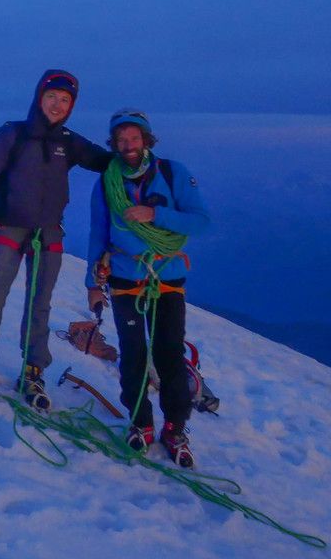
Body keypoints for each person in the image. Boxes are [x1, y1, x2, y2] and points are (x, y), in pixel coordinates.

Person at [0, 70, 112, 410]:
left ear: (71, 106)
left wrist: (138, 156)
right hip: (7, 230)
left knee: (39, 306)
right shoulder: (10, 135)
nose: (57, 105)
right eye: (52, 97)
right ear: (39, 97)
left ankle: (33, 372)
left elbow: (103, 162)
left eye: (65, 100)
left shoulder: (67, 142)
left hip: (48, 234)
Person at [86, 109, 209, 468]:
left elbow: (200, 221)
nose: (128, 145)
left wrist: (155, 215)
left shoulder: (173, 174)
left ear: (146, 140)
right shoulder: (106, 183)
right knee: (133, 353)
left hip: (166, 277)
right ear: (114, 143)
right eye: (121, 139)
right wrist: (93, 284)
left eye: (134, 138)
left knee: (169, 352)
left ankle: (175, 427)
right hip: (125, 277)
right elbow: (98, 233)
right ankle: (141, 422)